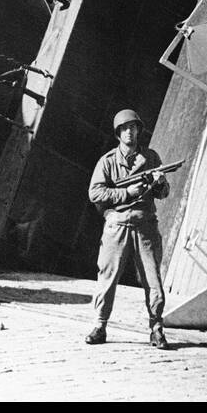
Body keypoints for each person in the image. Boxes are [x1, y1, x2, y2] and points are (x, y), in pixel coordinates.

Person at [86, 109, 170, 348]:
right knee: (107, 277)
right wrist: (125, 193)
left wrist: (160, 183)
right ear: (118, 133)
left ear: (138, 131)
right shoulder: (108, 161)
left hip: (145, 227)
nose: (129, 132)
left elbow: (163, 194)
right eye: (124, 128)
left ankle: (156, 328)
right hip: (118, 227)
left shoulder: (151, 158)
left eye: (133, 127)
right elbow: (95, 193)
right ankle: (100, 326)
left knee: (152, 280)